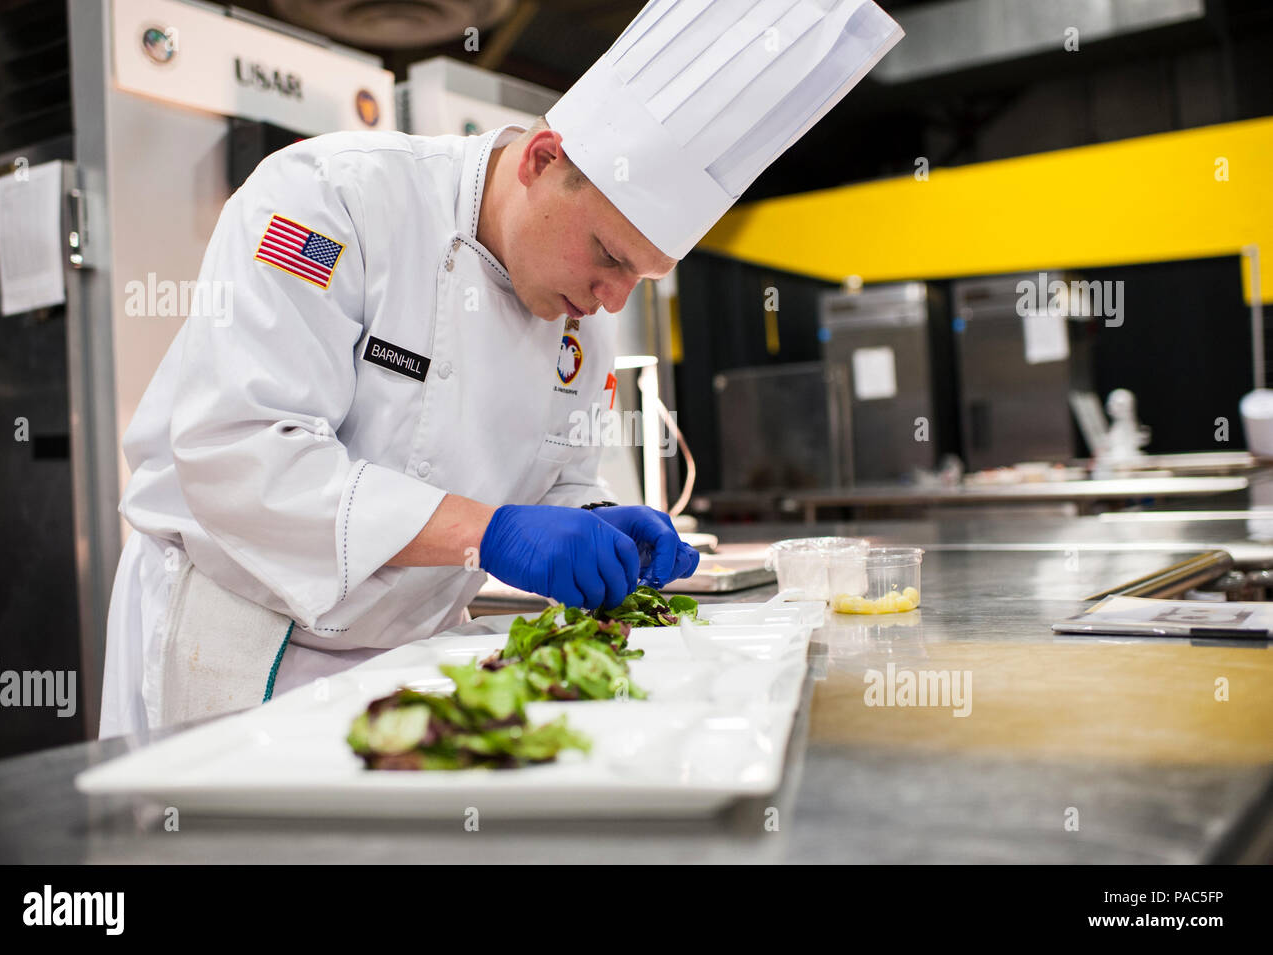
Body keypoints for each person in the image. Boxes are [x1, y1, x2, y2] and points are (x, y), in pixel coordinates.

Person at [99, 0, 904, 738]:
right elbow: (242, 451)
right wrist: (489, 533)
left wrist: (593, 515)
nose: (611, 295)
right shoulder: (330, 197)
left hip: (412, 651)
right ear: (541, 159)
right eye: (609, 256)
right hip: (240, 634)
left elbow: (554, 473)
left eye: (640, 277)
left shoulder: (580, 306)